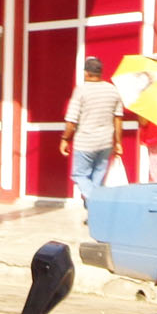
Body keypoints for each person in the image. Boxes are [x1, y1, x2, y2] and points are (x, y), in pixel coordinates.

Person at [59, 56, 124, 205]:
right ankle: (94, 214)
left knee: (80, 175)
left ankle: (95, 202)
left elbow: (72, 120)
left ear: (86, 73)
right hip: (106, 143)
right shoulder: (113, 90)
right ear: (100, 72)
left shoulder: (81, 91)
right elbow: (118, 119)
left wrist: (65, 139)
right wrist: (118, 142)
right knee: (97, 179)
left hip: (85, 143)